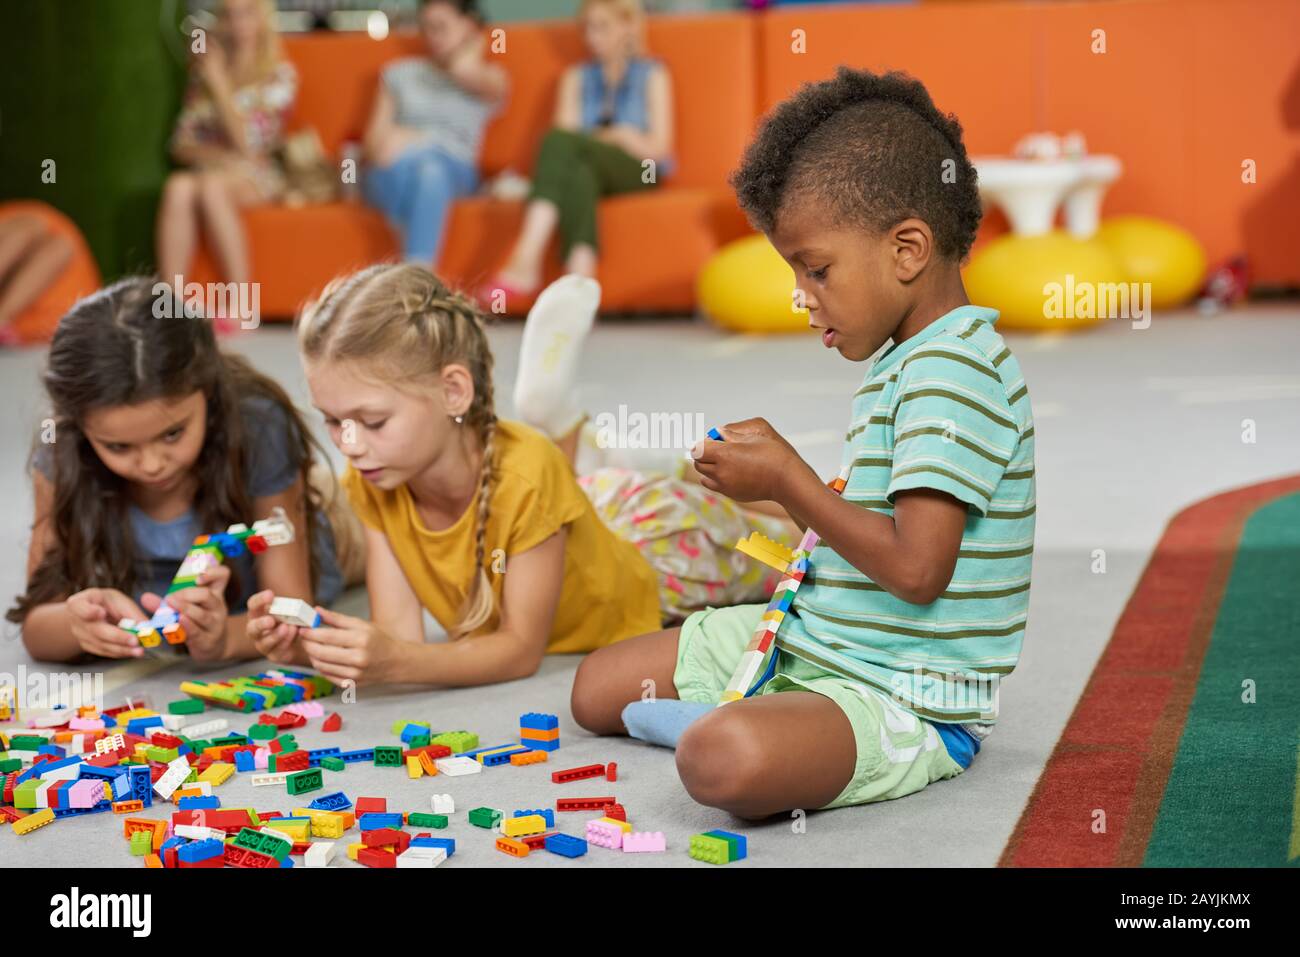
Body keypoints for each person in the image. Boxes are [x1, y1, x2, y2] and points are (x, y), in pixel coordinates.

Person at [570, 68, 1038, 820]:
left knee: (719, 759)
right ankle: (754, 705)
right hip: (810, 635)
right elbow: (870, 523)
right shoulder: (910, 359)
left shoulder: (956, 374)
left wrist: (790, 479)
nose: (800, 294)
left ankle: (740, 720)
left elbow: (919, 571)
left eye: (816, 269)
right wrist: (773, 490)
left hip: (901, 694)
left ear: (908, 248)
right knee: (595, 686)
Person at [254, 267, 790, 688]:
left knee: (794, 552)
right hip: (578, 510)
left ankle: (644, 461)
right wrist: (305, 643)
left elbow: (517, 650)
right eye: (333, 422)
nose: (348, 445)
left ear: (453, 392)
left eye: (372, 422)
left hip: (662, 555)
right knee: (574, 484)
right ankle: (586, 445)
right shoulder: (370, 479)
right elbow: (398, 637)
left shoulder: (525, 473)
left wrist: (397, 664)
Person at [10, 277, 349, 663]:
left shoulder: (258, 425)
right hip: (195, 564)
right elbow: (37, 629)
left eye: (172, 433)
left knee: (367, 513)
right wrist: (76, 625)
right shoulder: (61, 450)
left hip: (314, 527)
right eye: (118, 446)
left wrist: (225, 639)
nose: (152, 465)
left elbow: (292, 615)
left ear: (207, 389)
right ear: (80, 428)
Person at [482, 0, 674, 306]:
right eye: (587, 28)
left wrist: (616, 136)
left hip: (642, 170)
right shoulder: (576, 77)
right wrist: (623, 135)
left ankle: (526, 257)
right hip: (591, 166)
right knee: (578, 168)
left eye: (602, 27)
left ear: (627, 26)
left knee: (567, 149)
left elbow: (657, 149)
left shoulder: (652, 74)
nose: (591, 38)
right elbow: (563, 142)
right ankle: (580, 278)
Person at [156, 0, 297, 289]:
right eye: (230, 16)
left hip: (260, 176)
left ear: (261, 19)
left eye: (246, 13)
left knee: (211, 186)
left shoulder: (279, 76)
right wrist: (221, 158)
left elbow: (248, 146)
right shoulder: (204, 74)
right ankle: (172, 302)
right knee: (178, 186)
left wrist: (219, 85)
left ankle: (242, 301)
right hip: (214, 169)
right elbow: (180, 145)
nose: (238, 24)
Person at [362, 0, 508, 267]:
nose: (433, 37)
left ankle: (417, 269)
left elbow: (463, 70)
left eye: (442, 27)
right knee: (419, 169)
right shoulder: (398, 74)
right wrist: (399, 147)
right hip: (393, 168)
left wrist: (418, 140)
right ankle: (419, 281)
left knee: (430, 171)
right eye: (427, 28)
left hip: (455, 172)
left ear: (468, 24)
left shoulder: (491, 78)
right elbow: (373, 148)